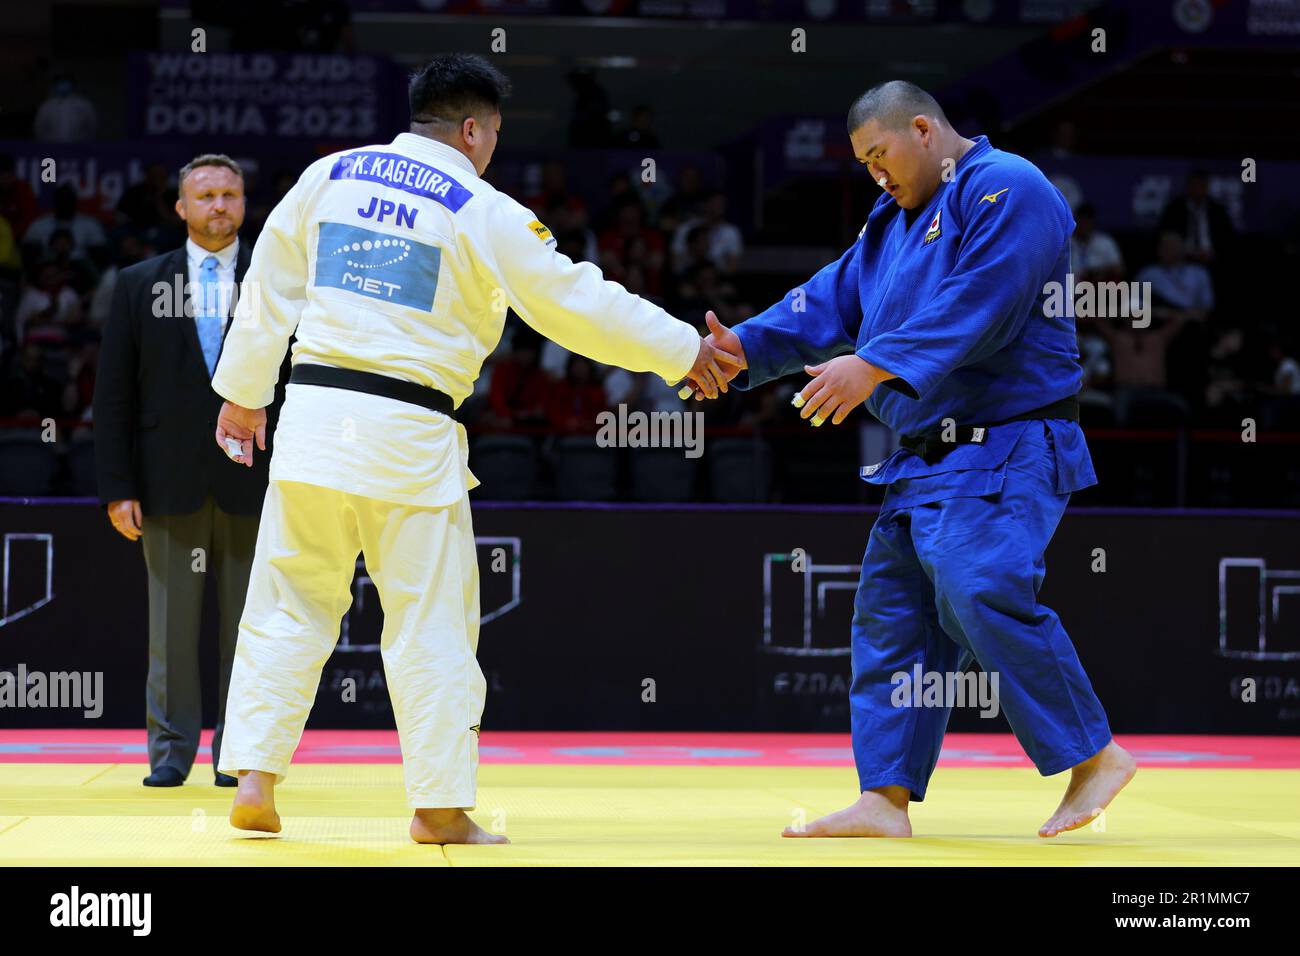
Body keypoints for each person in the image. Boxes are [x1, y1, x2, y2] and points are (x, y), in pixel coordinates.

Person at [209, 53, 739, 845]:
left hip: (313, 421)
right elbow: (573, 300)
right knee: (430, 623)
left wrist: (244, 392)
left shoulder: (331, 175)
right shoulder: (480, 207)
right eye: (490, 133)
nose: (491, 147)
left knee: (288, 600)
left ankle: (254, 777)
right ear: (470, 128)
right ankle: (439, 808)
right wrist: (678, 349)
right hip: (406, 435)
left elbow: (268, 284)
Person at [693, 80, 1134, 839]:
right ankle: (883, 798)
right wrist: (741, 349)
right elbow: (823, 301)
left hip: (1009, 439)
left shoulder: (1008, 186)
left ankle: (1092, 756)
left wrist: (872, 365)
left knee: (979, 581)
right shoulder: (891, 223)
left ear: (923, 129)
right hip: (924, 459)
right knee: (892, 620)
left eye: (879, 154)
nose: (875, 173)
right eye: (863, 162)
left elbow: (984, 302)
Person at [93, 154, 284, 788]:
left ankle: (238, 752)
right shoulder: (138, 283)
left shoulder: (277, 280)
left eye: (230, 194)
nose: (219, 205)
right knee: (170, 631)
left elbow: (299, 384)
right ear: (180, 207)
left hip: (255, 481)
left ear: (244, 203)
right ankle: (171, 752)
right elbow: (114, 396)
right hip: (167, 480)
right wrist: (118, 489)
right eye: (205, 195)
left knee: (247, 628)